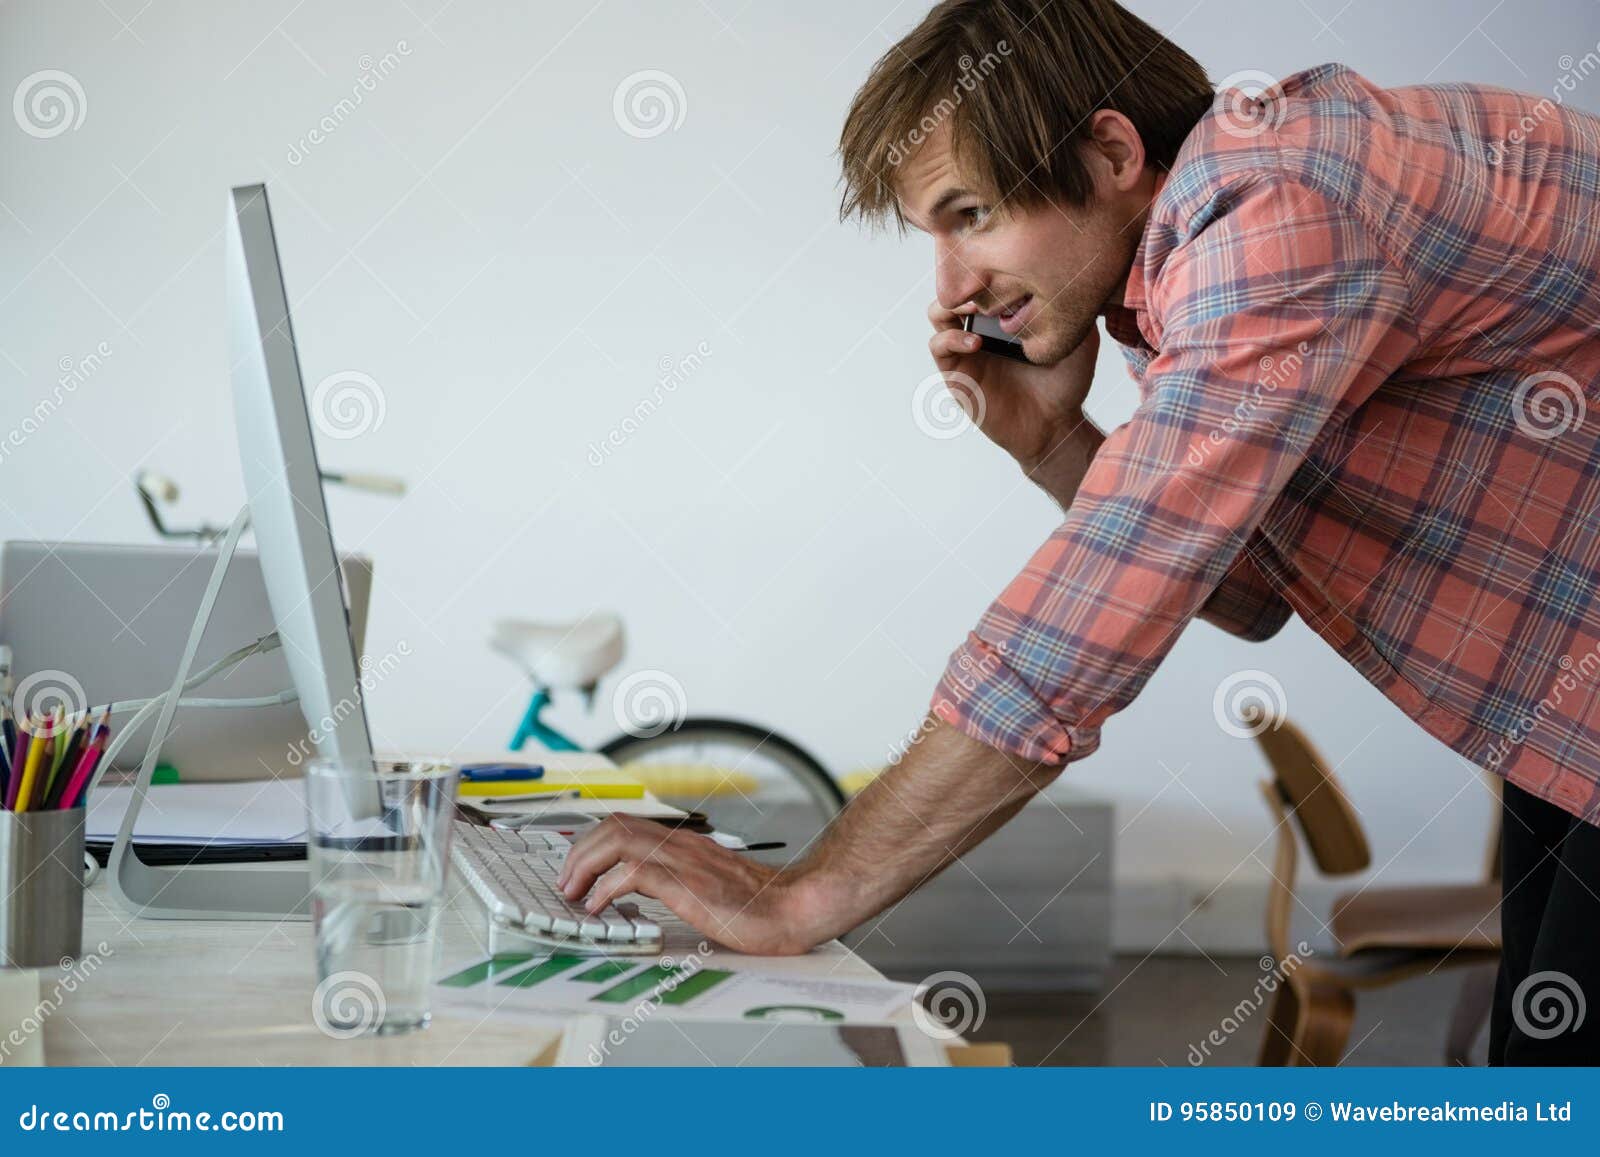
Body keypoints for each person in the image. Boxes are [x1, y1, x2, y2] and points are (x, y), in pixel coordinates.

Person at [559, 0, 1600, 1064]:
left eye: (970, 215)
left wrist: (802, 894)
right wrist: (1052, 438)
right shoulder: (1192, 259)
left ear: (1109, 150)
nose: (952, 290)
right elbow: (1249, 598)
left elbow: (1086, 629)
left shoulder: (1277, 218)